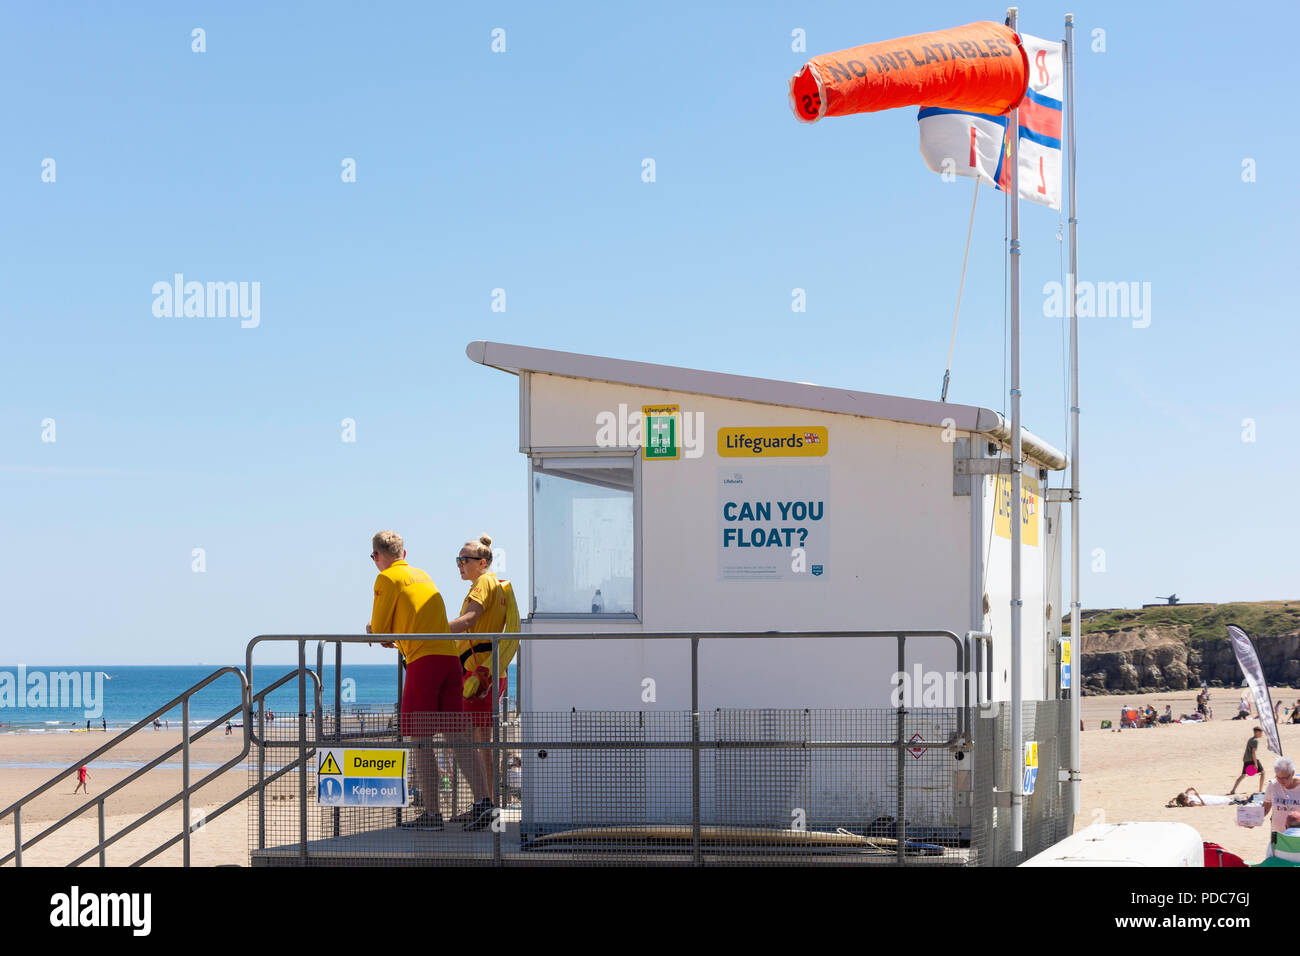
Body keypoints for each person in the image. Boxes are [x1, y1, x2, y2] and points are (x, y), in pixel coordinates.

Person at [367, 529, 485, 831]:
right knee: (458, 738)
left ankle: (432, 814)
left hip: (423, 660)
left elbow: (380, 631)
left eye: (373, 557)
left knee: (420, 741)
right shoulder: (421, 575)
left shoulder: (386, 578)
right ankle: (484, 804)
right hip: (449, 659)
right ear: (404, 555)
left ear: (378, 556)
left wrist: (373, 630)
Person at [448, 534, 508, 831]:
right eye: (457, 560)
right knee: (481, 741)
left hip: (480, 674)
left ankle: (487, 807)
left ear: (481, 563)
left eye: (464, 560)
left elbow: (469, 620)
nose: (459, 564)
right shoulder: (489, 584)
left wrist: (424, 629)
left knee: (477, 741)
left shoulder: (484, 583)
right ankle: (485, 806)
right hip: (483, 672)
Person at [1262, 757, 1300, 856]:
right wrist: (1254, 819)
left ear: (1293, 773)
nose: (1281, 781)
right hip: (1277, 836)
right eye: (1278, 777)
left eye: (1285, 778)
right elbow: (1266, 807)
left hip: (1297, 837)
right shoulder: (1273, 785)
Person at [1229, 727, 1267, 795]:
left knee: (1243, 775)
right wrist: (1255, 763)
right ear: (1257, 732)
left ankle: (1233, 790)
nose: (1262, 734)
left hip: (1246, 759)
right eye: (1261, 733)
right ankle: (1261, 790)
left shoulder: (1251, 739)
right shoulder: (1255, 740)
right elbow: (1253, 752)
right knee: (1263, 773)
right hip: (1251, 759)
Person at [1167, 787, 1246, 807]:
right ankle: (1240, 800)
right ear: (1184, 800)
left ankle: (1240, 799)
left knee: (1222, 798)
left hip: (1207, 797)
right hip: (1207, 800)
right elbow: (1203, 804)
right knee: (1224, 801)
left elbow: (1187, 790)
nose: (1188, 796)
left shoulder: (1187, 798)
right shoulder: (1192, 803)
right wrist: (1198, 796)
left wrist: (1191, 789)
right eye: (1186, 797)